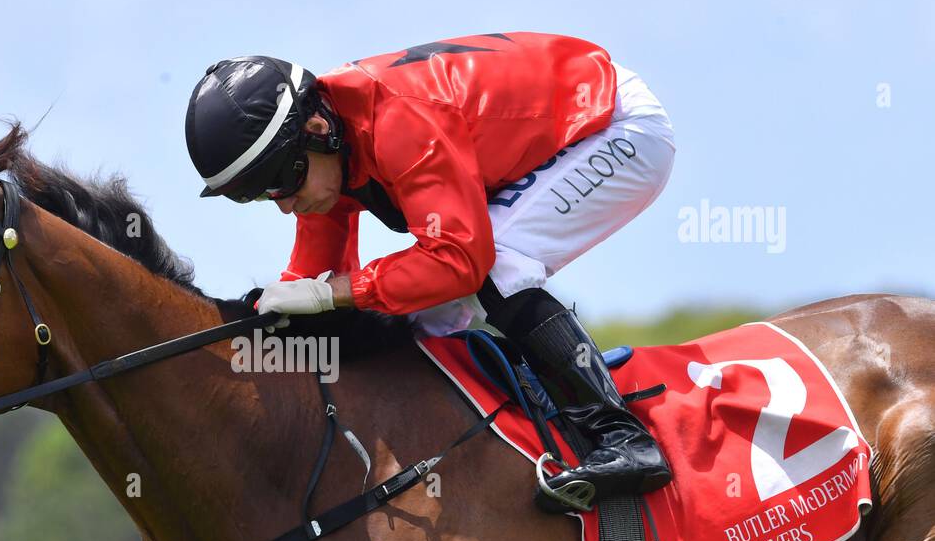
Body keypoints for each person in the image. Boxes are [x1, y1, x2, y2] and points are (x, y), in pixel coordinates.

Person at [184, 33, 675, 509]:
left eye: (282, 181)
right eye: (263, 194)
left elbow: (460, 259)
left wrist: (332, 294)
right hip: (553, 133)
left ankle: (625, 440)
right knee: (423, 319)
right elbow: (313, 282)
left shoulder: (397, 121)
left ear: (316, 128)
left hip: (615, 125)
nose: (286, 206)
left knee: (493, 266)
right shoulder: (328, 144)